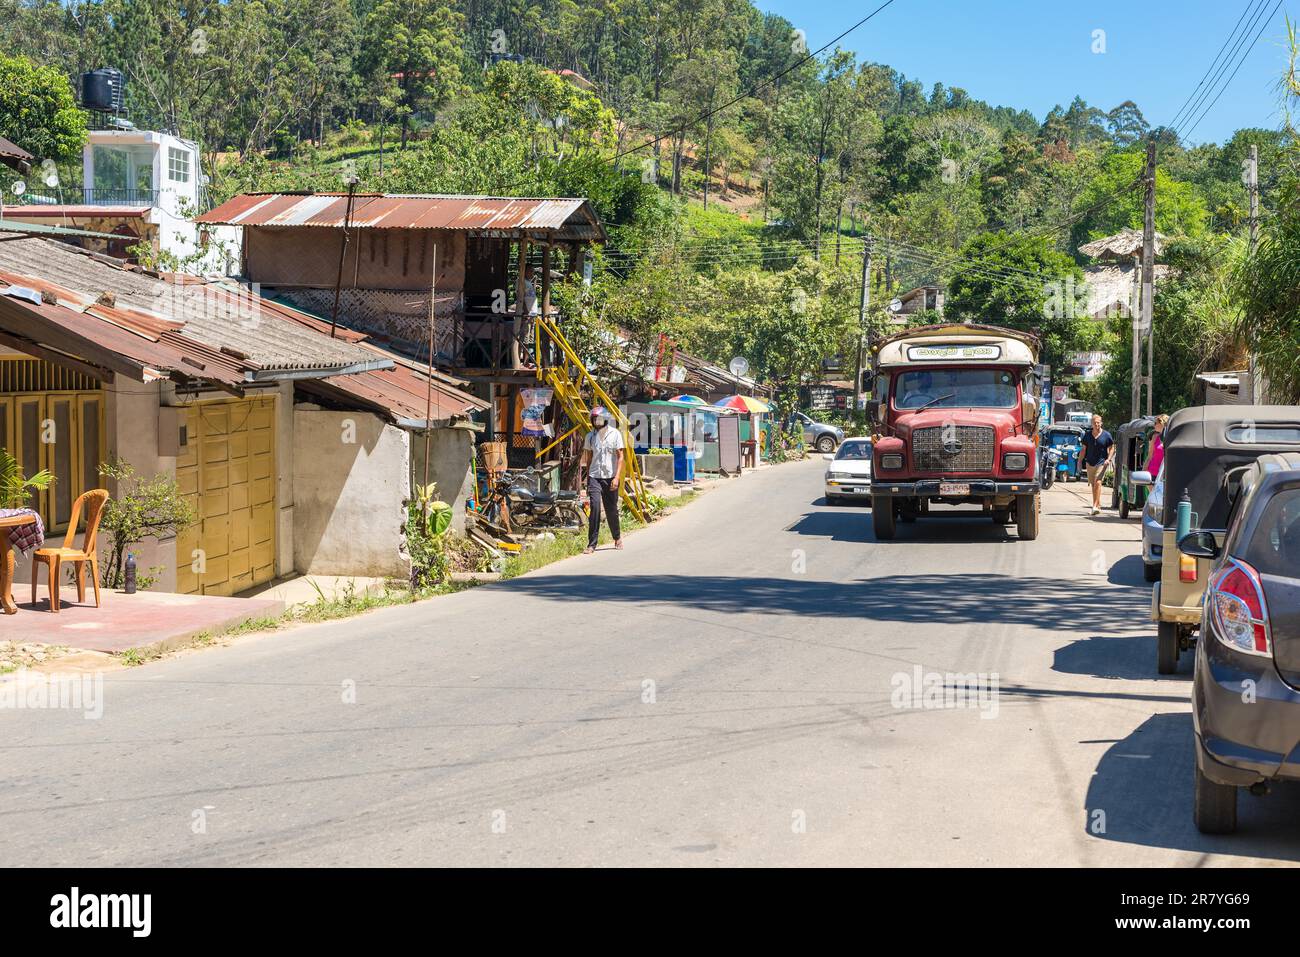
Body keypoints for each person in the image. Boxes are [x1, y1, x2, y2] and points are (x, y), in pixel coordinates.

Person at [580, 405, 624, 554]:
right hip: (594, 476)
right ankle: (592, 544)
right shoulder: (590, 436)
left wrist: (617, 477)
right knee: (595, 508)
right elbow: (589, 458)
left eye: (599, 420)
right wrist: (586, 479)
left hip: (611, 477)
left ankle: (617, 537)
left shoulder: (615, 434)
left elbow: (620, 457)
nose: (597, 422)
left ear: (605, 420)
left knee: (611, 510)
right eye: (594, 420)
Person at [1081, 413, 1114, 516]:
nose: (1097, 424)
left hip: (1101, 462)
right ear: (1092, 424)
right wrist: (1079, 461)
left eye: (1098, 423)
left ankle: (1094, 506)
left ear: (1101, 423)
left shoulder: (1106, 435)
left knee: (1098, 482)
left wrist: (1108, 459)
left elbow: (1112, 447)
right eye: (1095, 423)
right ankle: (1097, 505)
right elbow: (1083, 449)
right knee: (1093, 484)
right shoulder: (1087, 435)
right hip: (1090, 463)